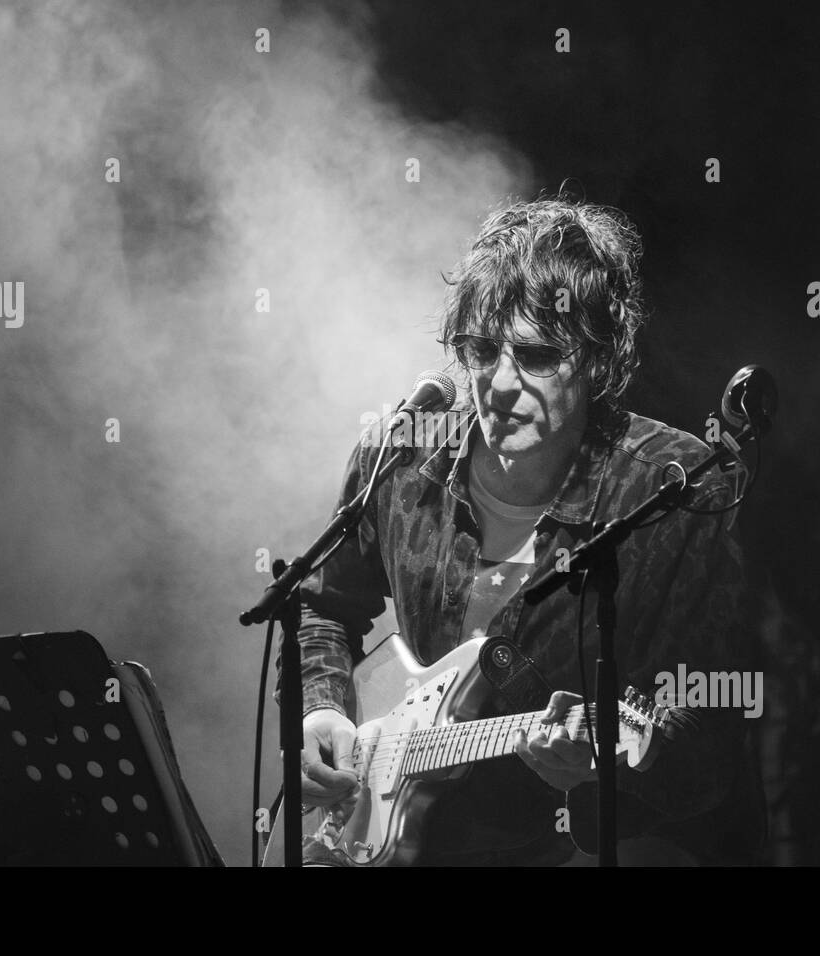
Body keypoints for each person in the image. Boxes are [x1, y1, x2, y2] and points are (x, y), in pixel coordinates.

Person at [280, 194, 765, 866]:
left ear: (600, 360)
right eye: (480, 351)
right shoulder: (399, 459)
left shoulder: (674, 486)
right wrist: (322, 711)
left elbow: (712, 727)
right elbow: (319, 605)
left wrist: (606, 773)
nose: (500, 385)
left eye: (537, 357)